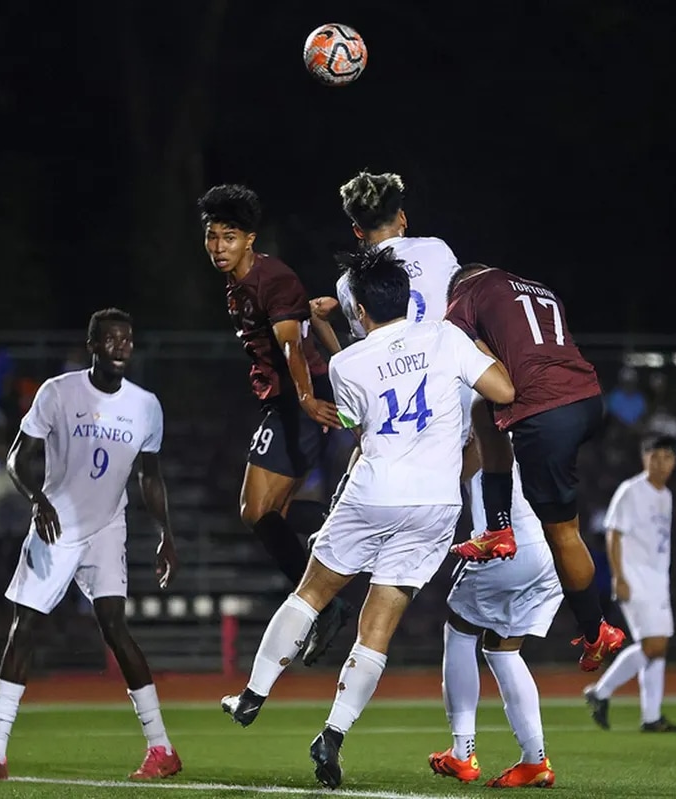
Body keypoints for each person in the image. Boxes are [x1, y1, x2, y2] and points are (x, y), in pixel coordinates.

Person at [220, 247, 515, 790]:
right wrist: (472, 352)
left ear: (358, 310)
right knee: (377, 630)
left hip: (376, 490)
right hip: (436, 503)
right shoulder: (448, 337)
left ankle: (252, 694)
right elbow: (504, 391)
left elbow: (360, 426)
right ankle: (332, 734)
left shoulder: (345, 364)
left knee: (309, 594)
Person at [0, 308, 181, 783]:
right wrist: (35, 498)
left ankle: (162, 749)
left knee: (115, 627)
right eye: (112, 339)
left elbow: (150, 476)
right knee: (25, 625)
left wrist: (165, 533)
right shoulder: (57, 392)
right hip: (57, 525)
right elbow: (17, 456)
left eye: (128, 339)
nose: (122, 346)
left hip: (107, 527)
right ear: (93, 346)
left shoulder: (146, 405)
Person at [444, 263, 624, 671]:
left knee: (562, 533)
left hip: (547, 411)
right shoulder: (537, 288)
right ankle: (499, 527)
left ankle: (596, 631)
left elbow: (475, 360)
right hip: (587, 398)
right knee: (484, 413)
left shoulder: (465, 296)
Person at [198, 183, 349, 666]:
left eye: (229, 237)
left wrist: (305, 398)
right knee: (268, 515)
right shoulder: (238, 285)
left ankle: (324, 600)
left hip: (297, 402)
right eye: (212, 237)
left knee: (255, 508)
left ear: (250, 239)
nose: (218, 247)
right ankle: (320, 596)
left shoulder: (272, 278)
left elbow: (289, 341)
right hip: (285, 402)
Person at [429, 437, 562, 789]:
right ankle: (535, 761)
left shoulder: (481, 424)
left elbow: (459, 470)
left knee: (458, 629)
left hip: (507, 545)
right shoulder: (529, 425)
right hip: (547, 548)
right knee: (503, 649)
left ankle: (462, 751)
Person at [584, 435, 676, 733]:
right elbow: (613, 534)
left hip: (657, 579)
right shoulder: (631, 491)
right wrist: (619, 576)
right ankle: (600, 692)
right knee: (654, 644)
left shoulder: (665, 495)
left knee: (658, 647)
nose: (661, 463)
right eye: (655, 456)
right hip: (635, 577)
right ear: (644, 459)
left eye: (667, 457)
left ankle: (651, 716)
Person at [309, 170, 460, 353]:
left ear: (358, 231)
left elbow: (369, 341)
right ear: (402, 218)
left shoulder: (348, 283)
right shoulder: (437, 249)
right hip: (455, 363)